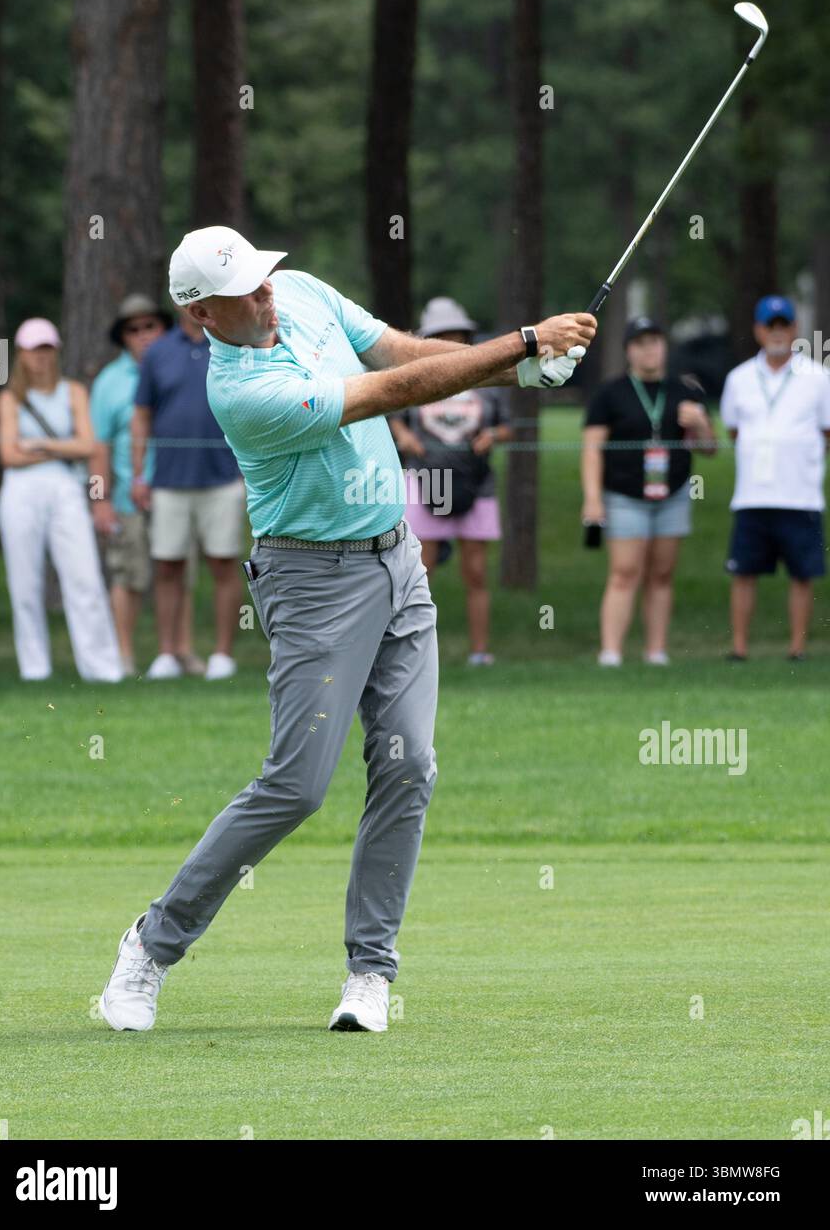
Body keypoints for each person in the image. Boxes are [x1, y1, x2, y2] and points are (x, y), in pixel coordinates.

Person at [99, 225, 596, 1036]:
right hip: (311, 583)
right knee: (296, 786)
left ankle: (370, 972)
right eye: (244, 291)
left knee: (410, 764)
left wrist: (520, 369)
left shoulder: (297, 292)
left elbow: (396, 352)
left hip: (397, 563)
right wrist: (527, 340)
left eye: (262, 277)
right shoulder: (243, 391)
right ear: (201, 316)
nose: (265, 293)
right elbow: (387, 395)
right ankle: (152, 945)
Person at [582, 316, 716, 667]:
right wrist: (593, 498)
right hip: (624, 494)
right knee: (625, 571)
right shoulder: (611, 394)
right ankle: (611, 652)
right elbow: (592, 448)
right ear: (629, 350)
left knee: (662, 573)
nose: (650, 349)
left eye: (655, 341)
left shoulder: (685, 391)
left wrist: (701, 423)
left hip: (672, 493)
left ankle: (656, 651)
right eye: (641, 343)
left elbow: (710, 448)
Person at [0, 317, 123, 682]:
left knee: (84, 577)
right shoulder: (10, 398)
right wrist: (61, 448)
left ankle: (102, 667)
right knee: (24, 583)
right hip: (21, 490)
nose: (41, 357)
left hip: (66, 487)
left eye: (47, 349)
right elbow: (9, 455)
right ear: (21, 354)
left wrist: (41, 445)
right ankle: (34, 668)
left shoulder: (73, 392)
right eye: (35, 350)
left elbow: (87, 444)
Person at [389, 296, 514, 666]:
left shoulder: (487, 380)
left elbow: (506, 425)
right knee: (420, 571)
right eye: (442, 334)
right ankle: (412, 650)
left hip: (476, 483)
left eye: (456, 334)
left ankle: (480, 651)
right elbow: (391, 411)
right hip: (428, 477)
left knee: (475, 571)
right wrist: (403, 436)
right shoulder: (416, 374)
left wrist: (495, 436)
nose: (451, 340)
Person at [131, 302, 247, 680]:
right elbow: (142, 415)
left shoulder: (231, 345)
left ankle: (222, 655)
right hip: (169, 480)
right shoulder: (159, 352)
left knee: (222, 563)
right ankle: (167, 654)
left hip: (224, 477)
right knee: (167, 565)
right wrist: (138, 475)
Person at [720, 295, 830, 661]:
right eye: (771, 326)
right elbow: (733, 431)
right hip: (752, 494)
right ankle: (739, 648)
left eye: (784, 325)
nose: (778, 332)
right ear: (758, 331)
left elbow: (826, 431)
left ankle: (797, 647)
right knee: (744, 572)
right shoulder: (738, 378)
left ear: (795, 330)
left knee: (802, 575)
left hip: (800, 494)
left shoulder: (819, 377)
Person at [90, 295, 173, 676]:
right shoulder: (109, 382)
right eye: (133, 330)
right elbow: (98, 448)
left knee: (175, 573)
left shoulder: (180, 366)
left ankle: (173, 654)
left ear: (163, 328)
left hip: (177, 488)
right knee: (129, 576)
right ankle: (122, 656)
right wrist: (99, 499)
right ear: (123, 337)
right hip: (127, 497)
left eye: (150, 326)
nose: (143, 336)